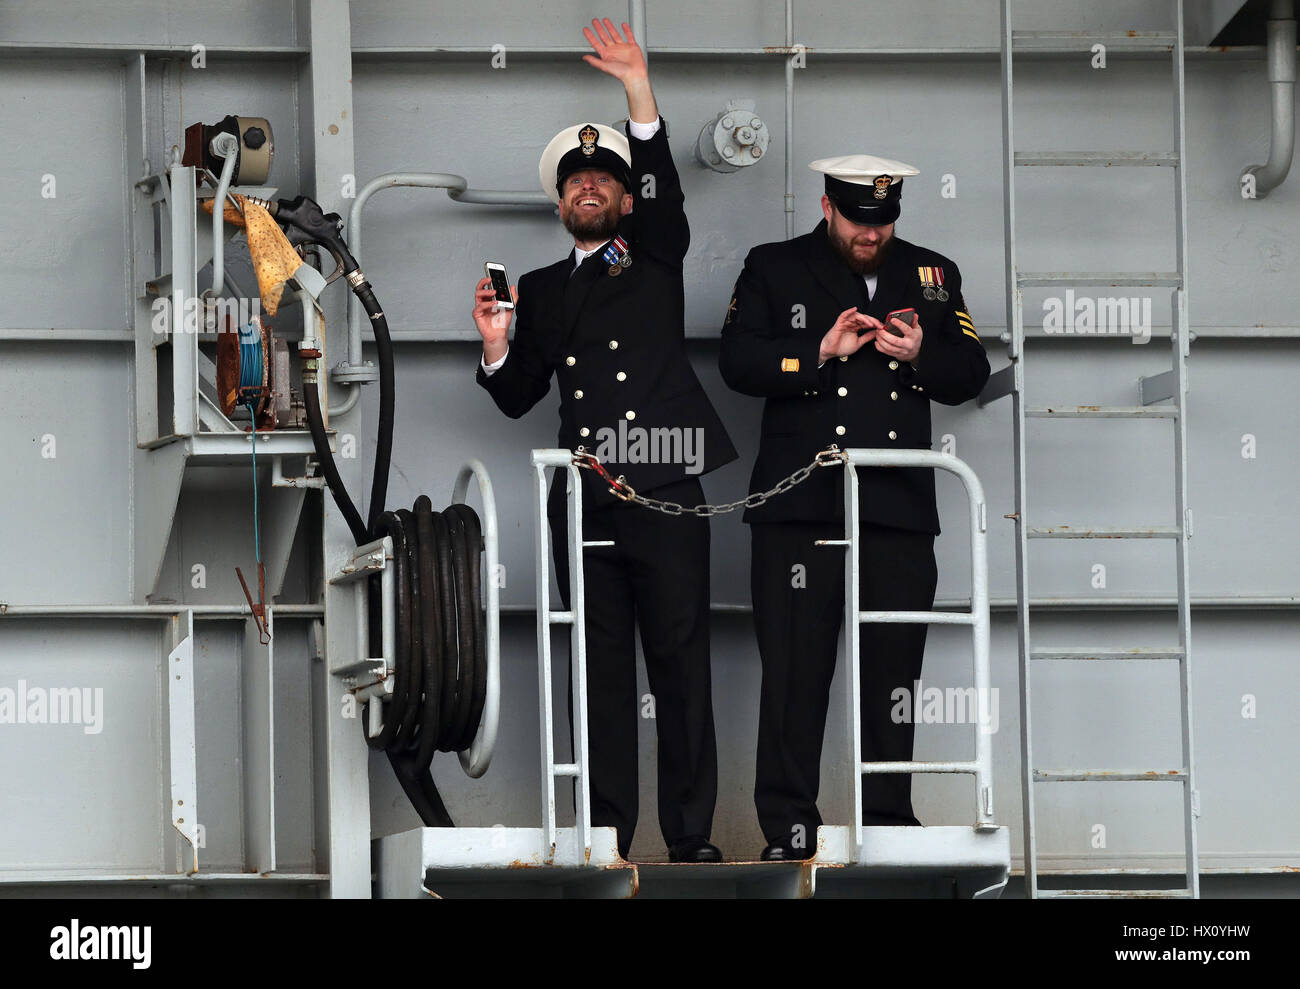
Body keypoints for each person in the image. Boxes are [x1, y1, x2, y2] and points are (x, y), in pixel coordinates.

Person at [472, 18, 737, 863]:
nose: (589, 186)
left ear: (626, 201)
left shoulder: (653, 254)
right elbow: (517, 399)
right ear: (559, 204)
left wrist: (638, 94)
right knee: (599, 669)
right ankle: (609, 834)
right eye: (575, 180)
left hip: (664, 485)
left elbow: (663, 192)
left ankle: (691, 835)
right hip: (584, 492)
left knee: (682, 664)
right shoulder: (543, 290)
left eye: (605, 179)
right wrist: (496, 342)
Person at [718, 154, 990, 860]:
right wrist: (819, 349)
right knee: (794, 672)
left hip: (897, 507)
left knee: (895, 670)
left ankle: (891, 818)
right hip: (800, 509)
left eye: (883, 221)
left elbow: (970, 374)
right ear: (827, 206)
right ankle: (790, 825)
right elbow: (738, 362)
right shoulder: (775, 266)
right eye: (858, 222)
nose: (872, 235)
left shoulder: (932, 272)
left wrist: (922, 353)